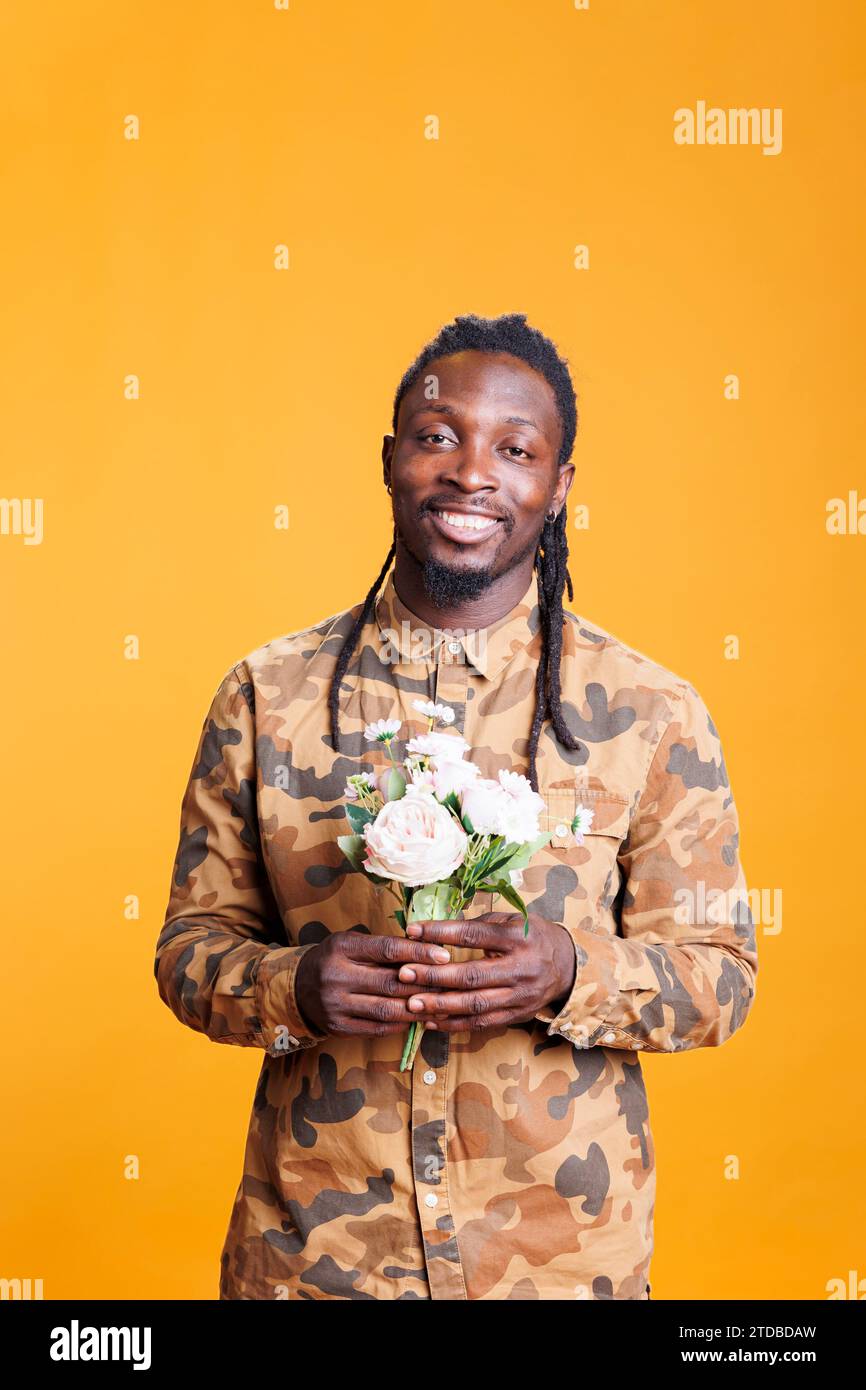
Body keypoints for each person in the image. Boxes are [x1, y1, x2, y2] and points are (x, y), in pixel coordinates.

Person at [155, 312, 758, 1300]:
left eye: (514, 449)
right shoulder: (266, 695)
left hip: (561, 1271)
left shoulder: (651, 712)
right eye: (438, 436)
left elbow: (721, 980)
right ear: (390, 459)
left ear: (556, 487)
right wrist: (294, 988)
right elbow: (187, 954)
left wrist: (569, 972)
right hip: (312, 1264)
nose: (472, 473)